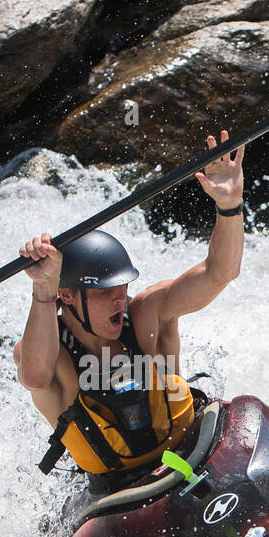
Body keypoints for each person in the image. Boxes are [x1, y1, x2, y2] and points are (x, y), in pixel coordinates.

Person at [14, 131, 245, 483]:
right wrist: (43, 290)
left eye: (122, 287)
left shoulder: (146, 315)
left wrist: (229, 206)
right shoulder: (53, 357)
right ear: (68, 296)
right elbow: (33, 377)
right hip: (116, 494)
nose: (119, 298)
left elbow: (220, 273)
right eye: (105, 291)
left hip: (190, 460)